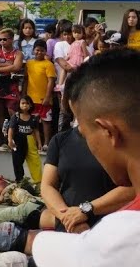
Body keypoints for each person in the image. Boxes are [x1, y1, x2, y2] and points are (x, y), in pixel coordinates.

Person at [31, 48, 140, 262]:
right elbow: (47, 185)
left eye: (86, 131)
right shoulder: (60, 141)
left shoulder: (124, 234)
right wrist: (67, 216)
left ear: (108, 132)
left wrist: (85, 212)